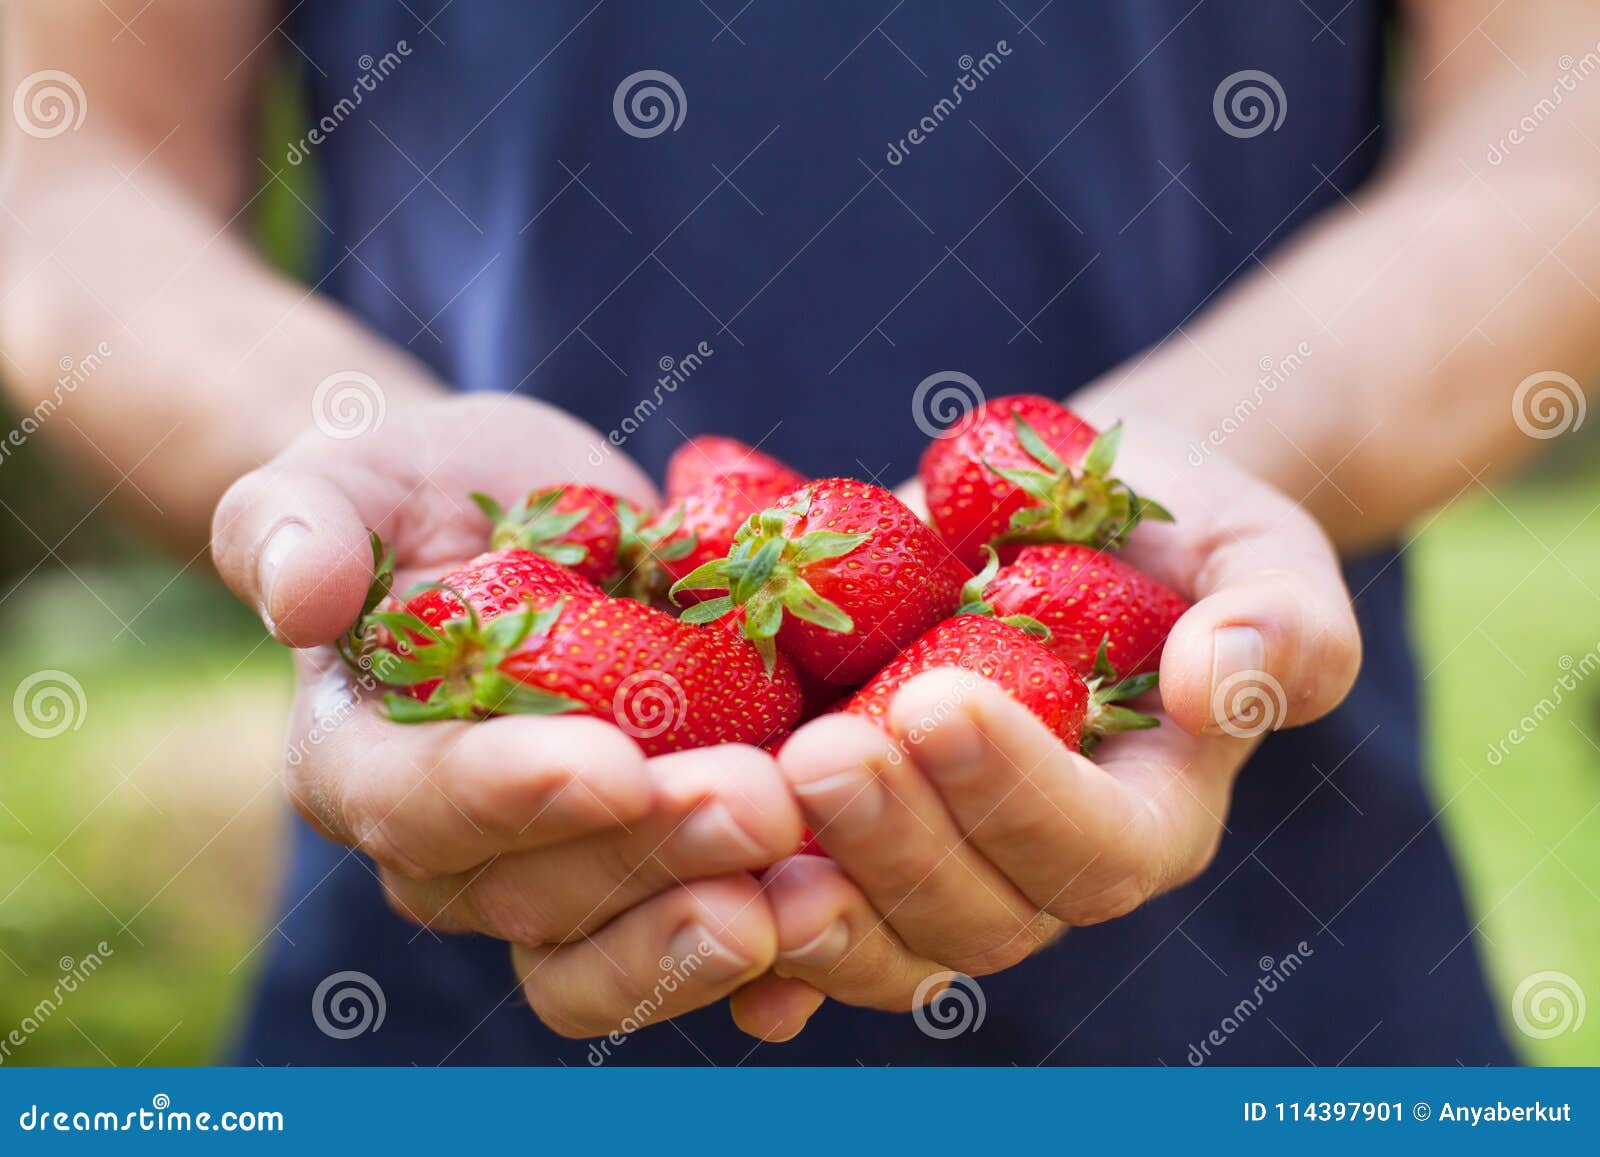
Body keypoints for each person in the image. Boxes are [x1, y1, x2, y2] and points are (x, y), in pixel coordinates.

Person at [4, 0, 1590, 1065]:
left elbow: (1561, 121)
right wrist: (332, 463)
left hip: (1271, 988)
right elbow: (59, 157)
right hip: (440, 1001)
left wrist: (1220, 445)